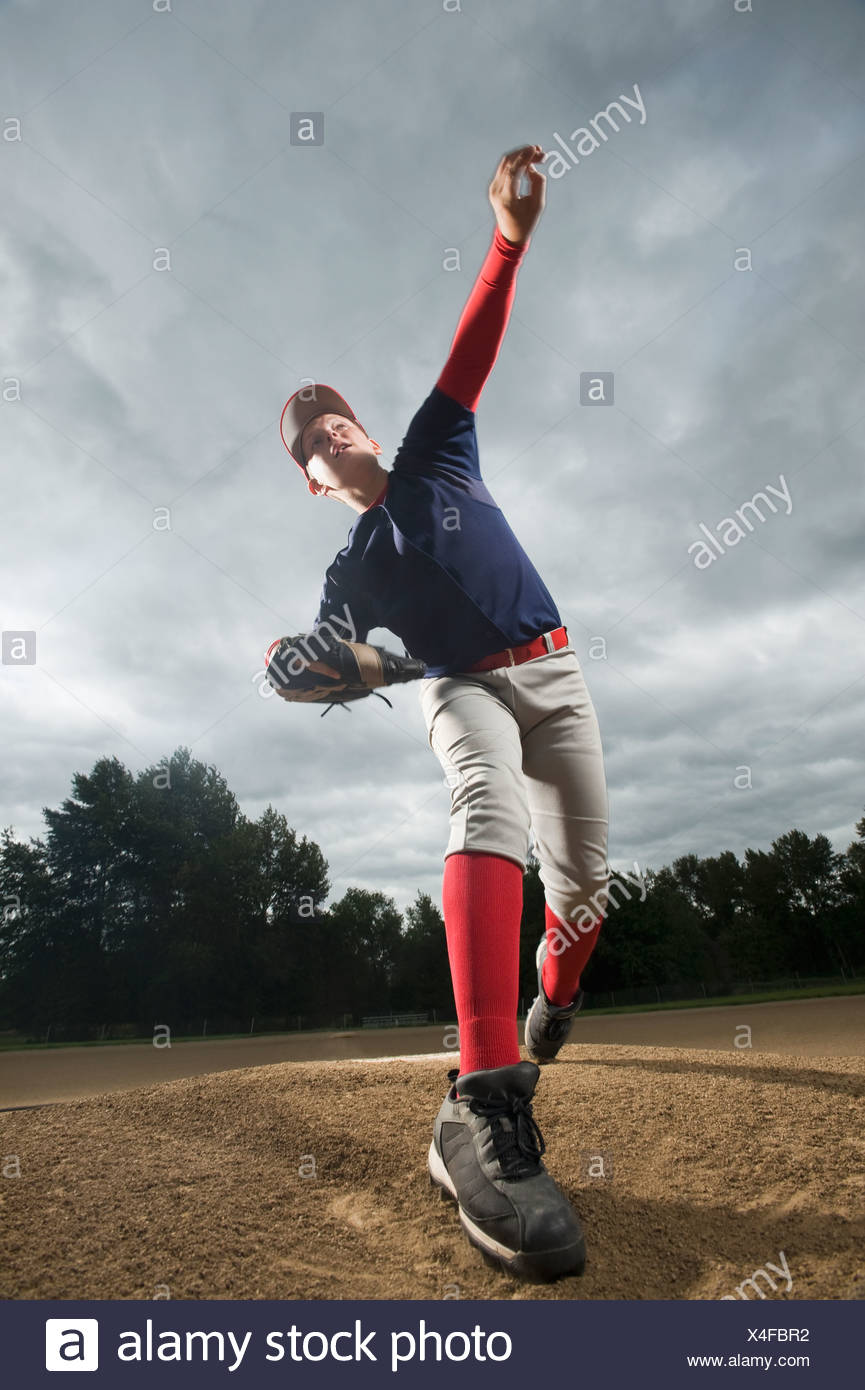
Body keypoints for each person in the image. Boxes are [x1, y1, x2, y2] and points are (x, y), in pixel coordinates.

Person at [280, 145, 610, 1282]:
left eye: (333, 420)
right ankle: (480, 1097)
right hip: (454, 687)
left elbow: (470, 347)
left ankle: (549, 1006)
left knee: (585, 903)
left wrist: (508, 240)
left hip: (555, 674)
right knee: (484, 799)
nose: (328, 433)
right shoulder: (349, 570)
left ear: (365, 428)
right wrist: (301, 661)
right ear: (313, 484)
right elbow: (346, 657)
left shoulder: (434, 449)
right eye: (308, 443)